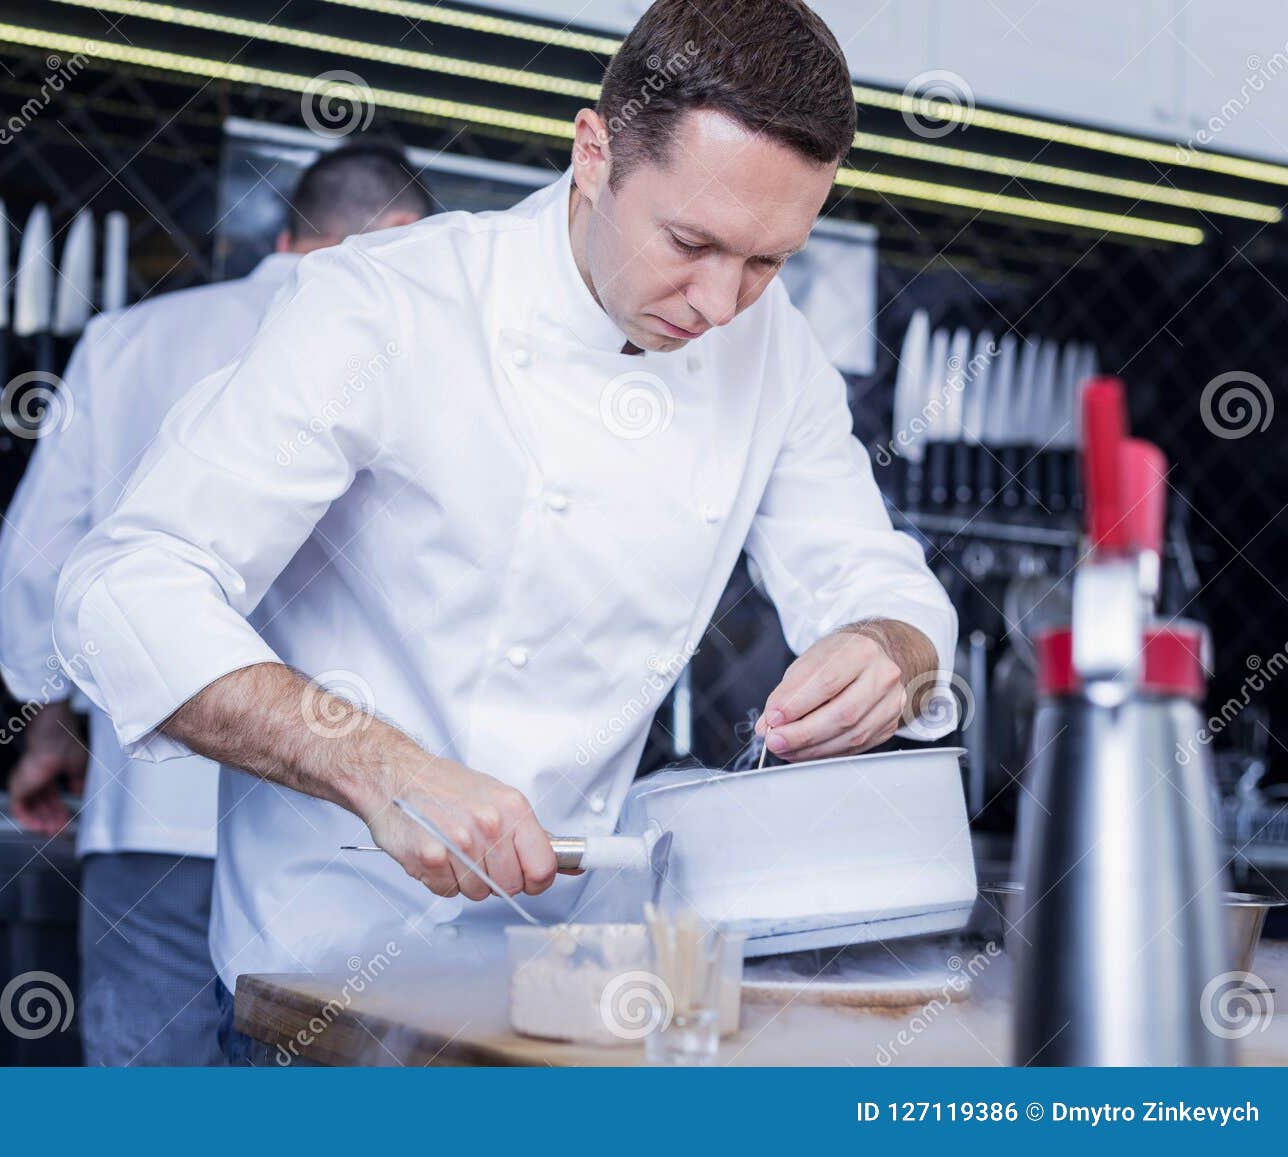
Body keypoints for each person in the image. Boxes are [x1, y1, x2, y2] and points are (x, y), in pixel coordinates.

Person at [54, 0, 958, 1060]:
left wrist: (889, 649)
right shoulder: (384, 306)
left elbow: (873, 577)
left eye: (768, 261)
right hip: (326, 995)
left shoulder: (776, 352)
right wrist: (377, 764)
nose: (722, 302)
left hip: (568, 994)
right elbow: (125, 588)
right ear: (593, 154)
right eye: (690, 242)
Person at [0, 143, 433, 1066]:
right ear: (393, 235)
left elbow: (37, 563)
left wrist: (49, 725)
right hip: (345, 836)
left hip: (154, 810)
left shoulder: (130, 339)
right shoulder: (414, 353)